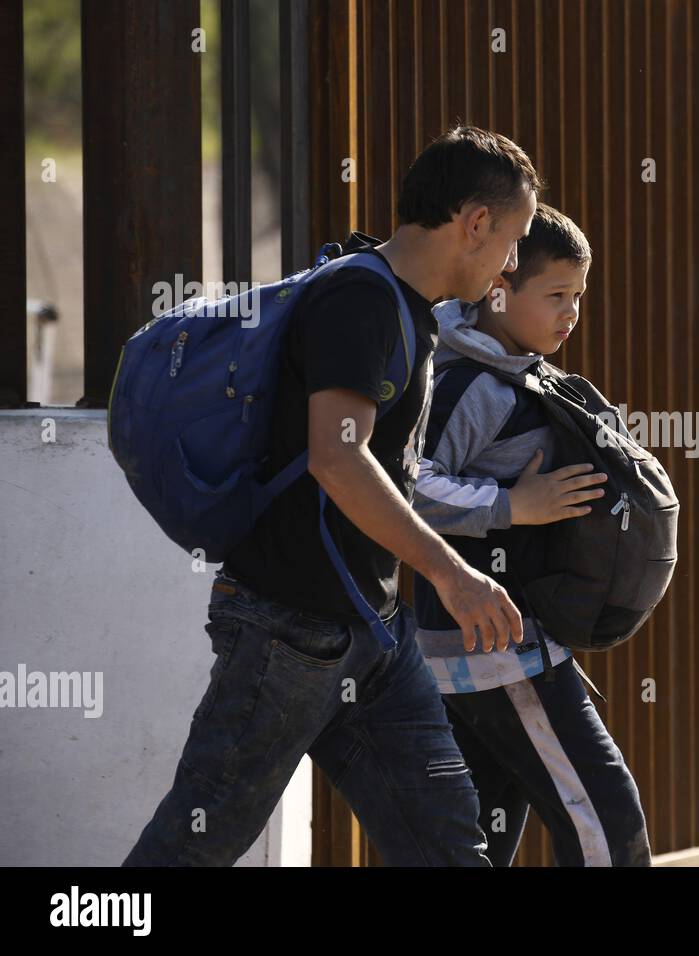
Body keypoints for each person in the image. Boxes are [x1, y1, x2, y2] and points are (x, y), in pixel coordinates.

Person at [123, 126, 540, 866]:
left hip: (372, 638)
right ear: (475, 223)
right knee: (194, 844)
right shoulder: (362, 299)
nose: (510, 265)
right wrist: (451, 570)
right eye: (511, 240)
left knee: (447, 844)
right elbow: (337, 456)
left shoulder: (407, 306)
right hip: (288, 632)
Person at [412, 204, 652, 866]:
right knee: (604, 812)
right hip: (496, 647)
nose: (570, 313)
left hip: (500, 645)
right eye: (555, 295)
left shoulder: (518, 371)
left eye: (578, 296)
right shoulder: (469, 382)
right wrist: (512, 506)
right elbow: (402, 487)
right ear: (499, 289)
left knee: (482, 841)